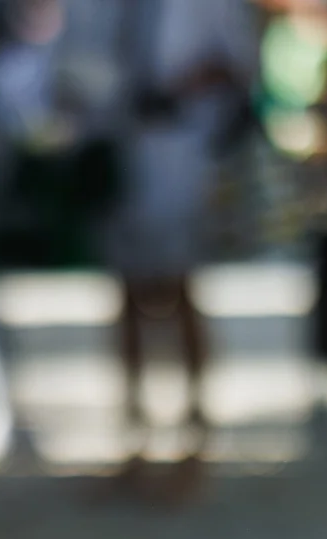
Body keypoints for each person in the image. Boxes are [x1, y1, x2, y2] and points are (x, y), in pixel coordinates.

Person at [66, 0, 257, 499]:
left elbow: (237, 61)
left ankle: (195, 439)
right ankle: (135, 436)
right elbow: (75, 58)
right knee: (127, 295)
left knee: (178, 288)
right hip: (119, 146)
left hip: (182, 147)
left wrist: (185, 86)